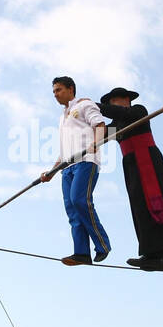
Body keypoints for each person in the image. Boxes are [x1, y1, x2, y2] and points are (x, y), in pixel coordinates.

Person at [96, 87, 163, 271]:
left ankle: (157, 255)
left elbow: (119, 112)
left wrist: (93, 106)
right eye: (110, 102)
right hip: (130, 163)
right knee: (140, 207)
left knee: (154, 203)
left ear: (127, 100)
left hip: (147, 159)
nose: (112, 104)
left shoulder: (138, 111)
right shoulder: (116, 124)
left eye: (115, 100)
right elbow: (97, 134)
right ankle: (157, 256)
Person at [40, 76, 111, 266]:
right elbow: (63, 152)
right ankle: (82, 253)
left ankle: (103, 245)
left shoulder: (84, 104)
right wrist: (52, 172)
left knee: (79, 200)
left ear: (71, 89)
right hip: (67, 168)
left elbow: (100, 125)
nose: (55, 94)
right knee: (72, 209)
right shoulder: (62, 118)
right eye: (54, 91)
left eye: (59, 90)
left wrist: (96, 143)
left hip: (86, 161)